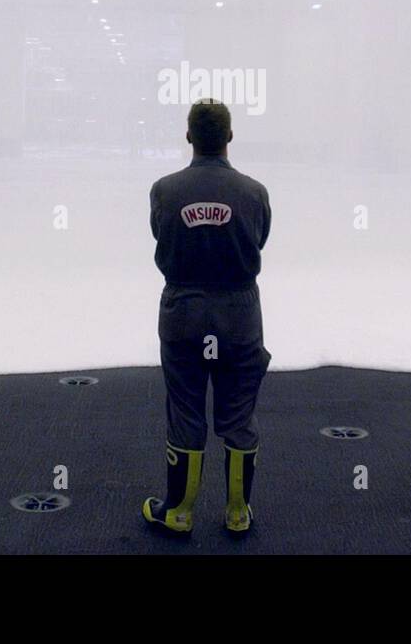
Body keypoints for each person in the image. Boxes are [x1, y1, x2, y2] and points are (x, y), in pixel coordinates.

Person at [142, 99, 272, 535]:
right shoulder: (255, 193)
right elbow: (260, 239)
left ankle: (178, 511)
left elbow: (162, 237)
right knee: (238, 415)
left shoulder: (164, 190)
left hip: (184, 312)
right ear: (229, 137)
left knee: (185, 411)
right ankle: (238, 513)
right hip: (238, 315)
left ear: (189, 137)